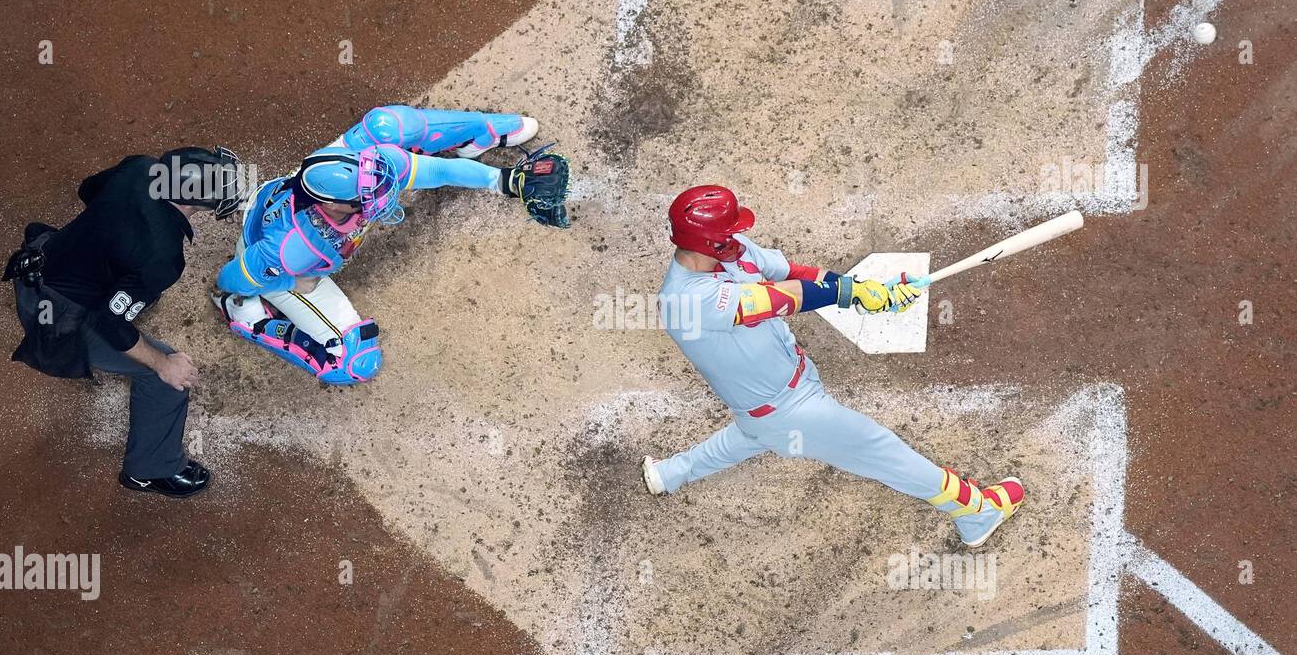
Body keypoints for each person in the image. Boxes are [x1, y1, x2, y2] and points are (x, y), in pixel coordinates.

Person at [640, 185, 1024, 548]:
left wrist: (869, 289)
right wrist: (854, 294)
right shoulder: (686, 300)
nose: (739, 235)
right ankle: (976, 512)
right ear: (711, 240)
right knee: (880, 448)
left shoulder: (730, 250)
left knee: (754, 434)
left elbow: (793, 274)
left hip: (779, 396)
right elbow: (785, 296)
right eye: (731, 230)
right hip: (789, 411)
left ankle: (669, 474)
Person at [211, 104, 569, 384]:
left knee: (387, 125)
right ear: (334, 206)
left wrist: (503, 180)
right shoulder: (292, 249)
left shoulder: (370, 169)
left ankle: (478, 133)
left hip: (299, 217)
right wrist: (291, 283)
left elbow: (437, 172)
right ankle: (247, 317)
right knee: (356, 363)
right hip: (282, 268)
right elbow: (231, 278)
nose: (386, 192)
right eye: (371, 196)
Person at [4, 147, 247, 498]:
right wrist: (164, 363)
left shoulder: (141, 168)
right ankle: (151, 470)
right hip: (52, 316)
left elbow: (88, 190)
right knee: (165, 380)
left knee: (132, 280)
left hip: (37, 263)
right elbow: (112, 323)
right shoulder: (163, 256)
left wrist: (117, 230)